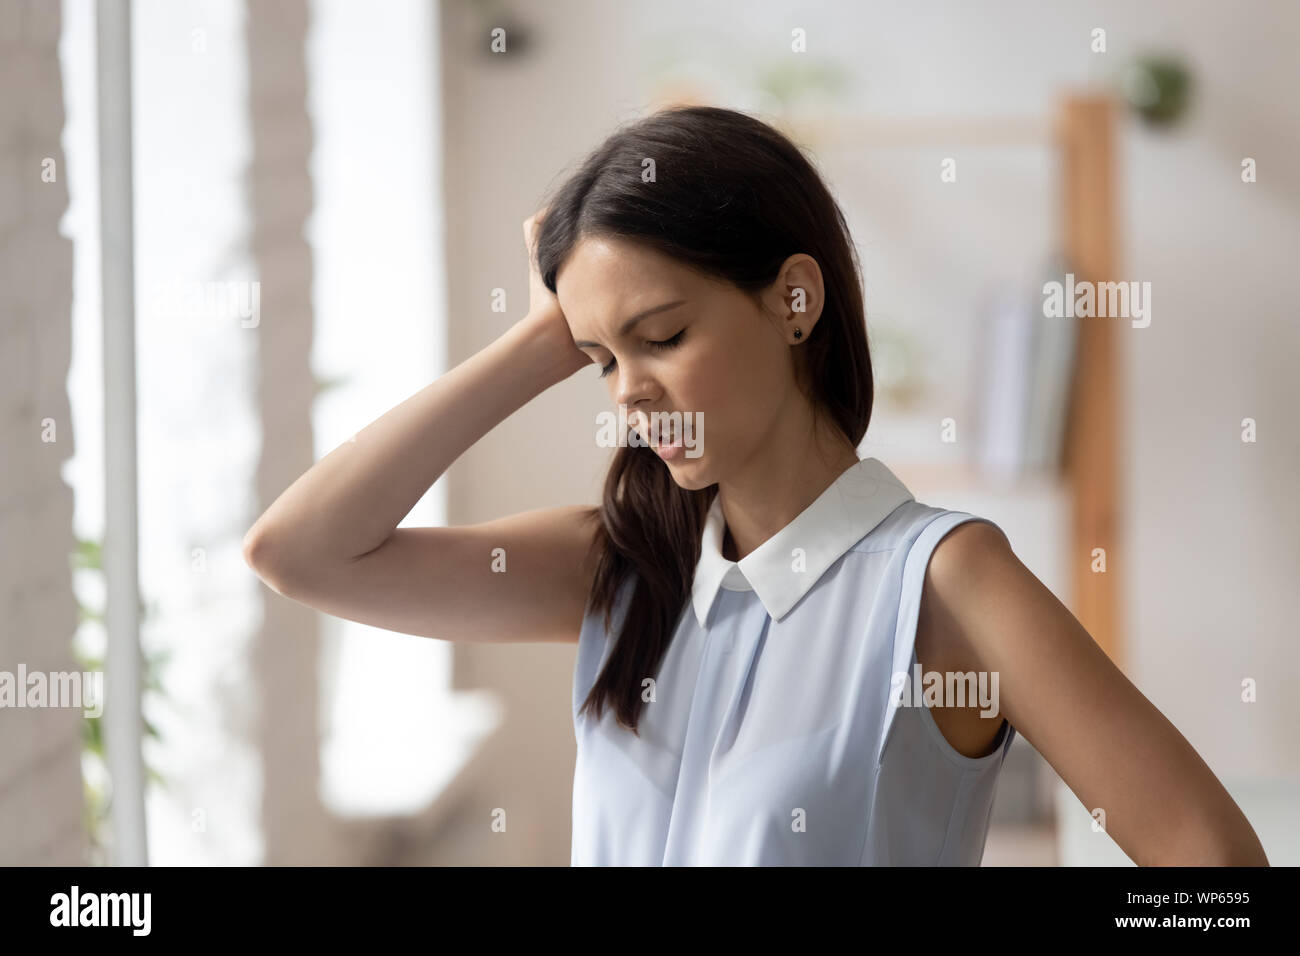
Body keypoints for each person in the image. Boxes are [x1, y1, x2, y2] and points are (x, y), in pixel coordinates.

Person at [243, 105, 1268, 867]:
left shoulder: (946, 582)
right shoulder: (622, 567)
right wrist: (541, 338)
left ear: (794, 297)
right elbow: (298, 552)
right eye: (601, 359)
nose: (629, 395)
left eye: (664, 335)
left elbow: (1214, 868)